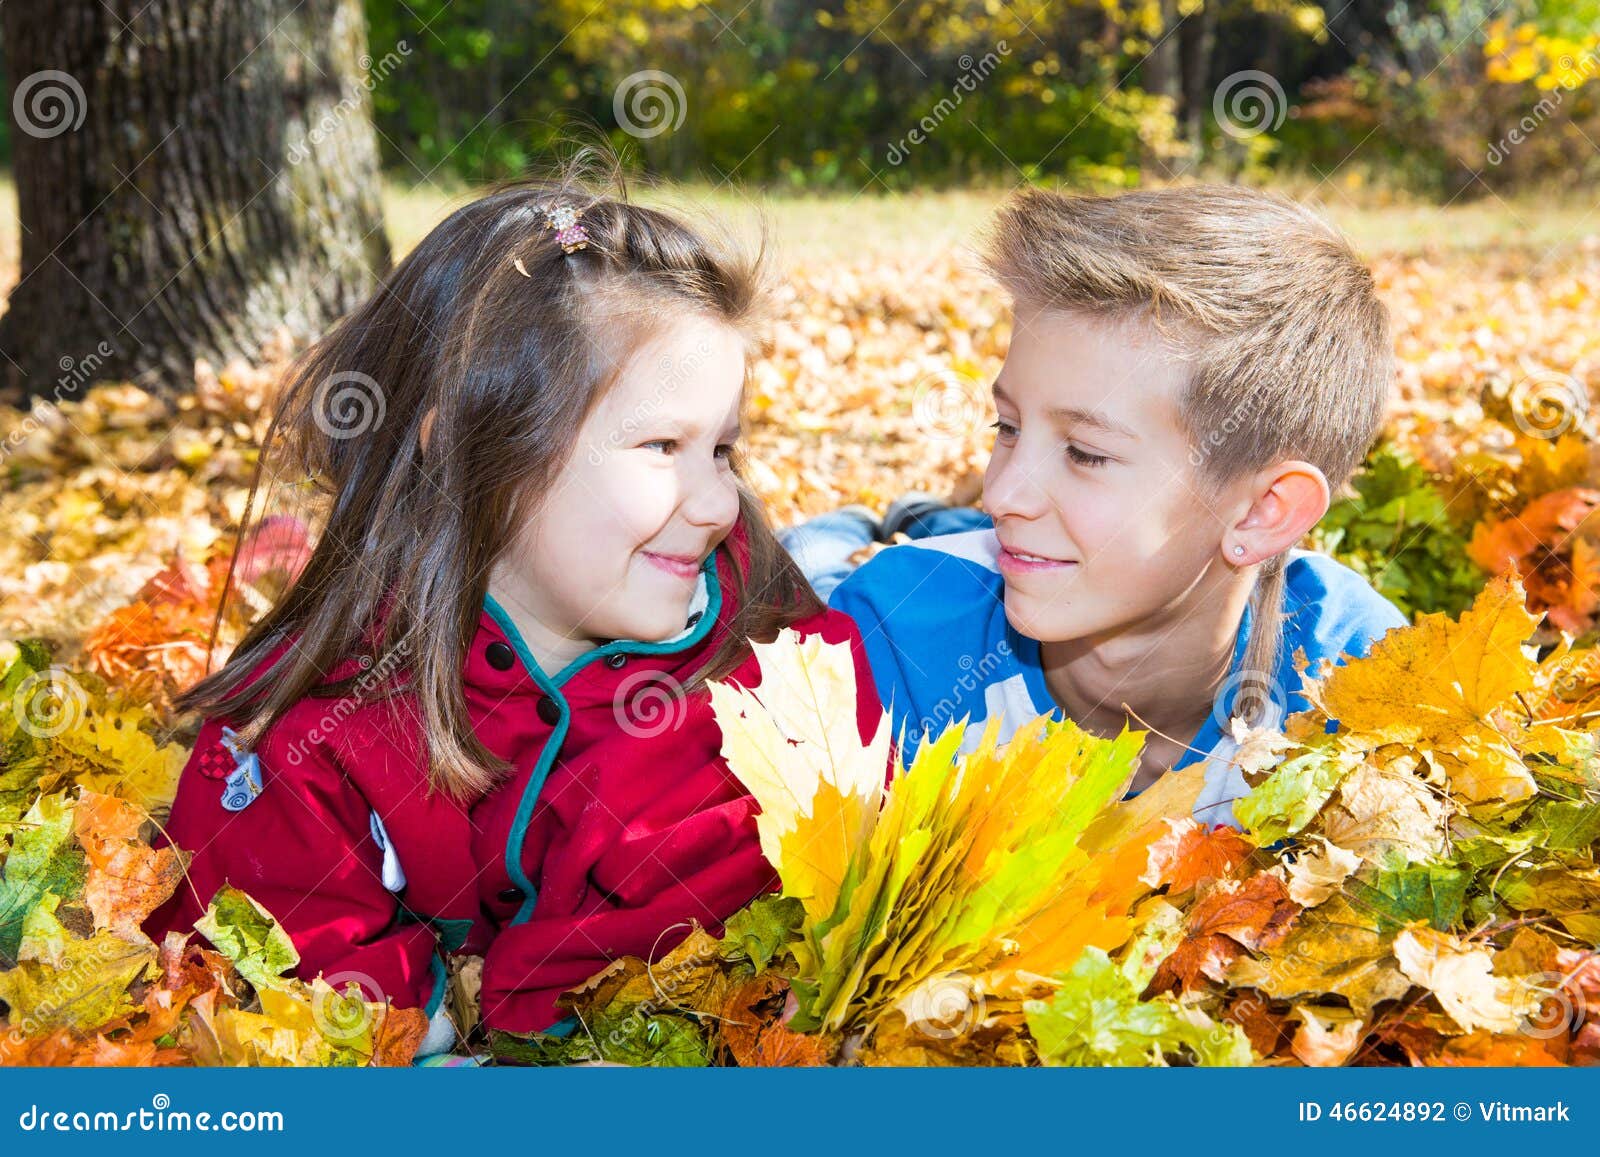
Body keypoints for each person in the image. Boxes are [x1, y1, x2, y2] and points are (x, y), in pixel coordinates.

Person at [145, 165, 884, 1061]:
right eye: (662, 445)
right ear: (465, 447)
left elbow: (714, 975)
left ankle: (894, 532)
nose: (717, 503)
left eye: (723, 448)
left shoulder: (763, 683)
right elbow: (287, 989)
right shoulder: (316, 727)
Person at [795, 184, 1409, 831]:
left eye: (1085, 453)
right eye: (1006, 426)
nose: (1002, 491)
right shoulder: (893, 638)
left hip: (1026, 557)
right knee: (811, 560)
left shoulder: (1363, 688)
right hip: (962, 566)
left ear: (1262, 513)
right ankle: (876, 523)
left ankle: (924, 512)